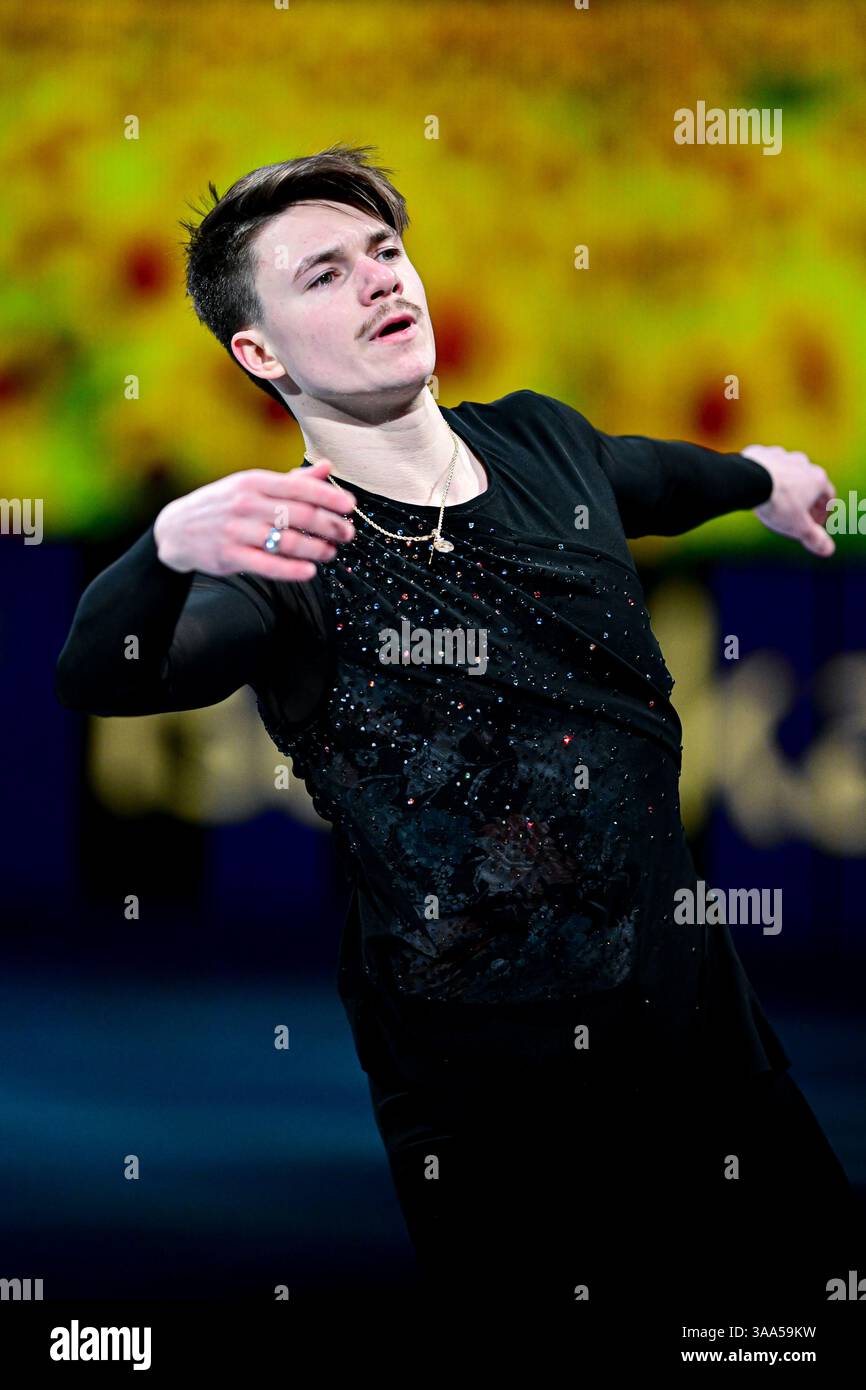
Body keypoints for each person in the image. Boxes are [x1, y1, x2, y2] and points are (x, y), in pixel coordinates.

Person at [55, 144, 863, 1318]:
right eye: (324, 274)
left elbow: (655, 477)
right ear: (258, 352)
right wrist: (163, 548)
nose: (381, 280)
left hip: (705, 1045)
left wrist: (760, 479)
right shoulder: (290, 551)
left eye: (384, 252)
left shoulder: (542, 442)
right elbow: (103, 676)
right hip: (489, 1109)